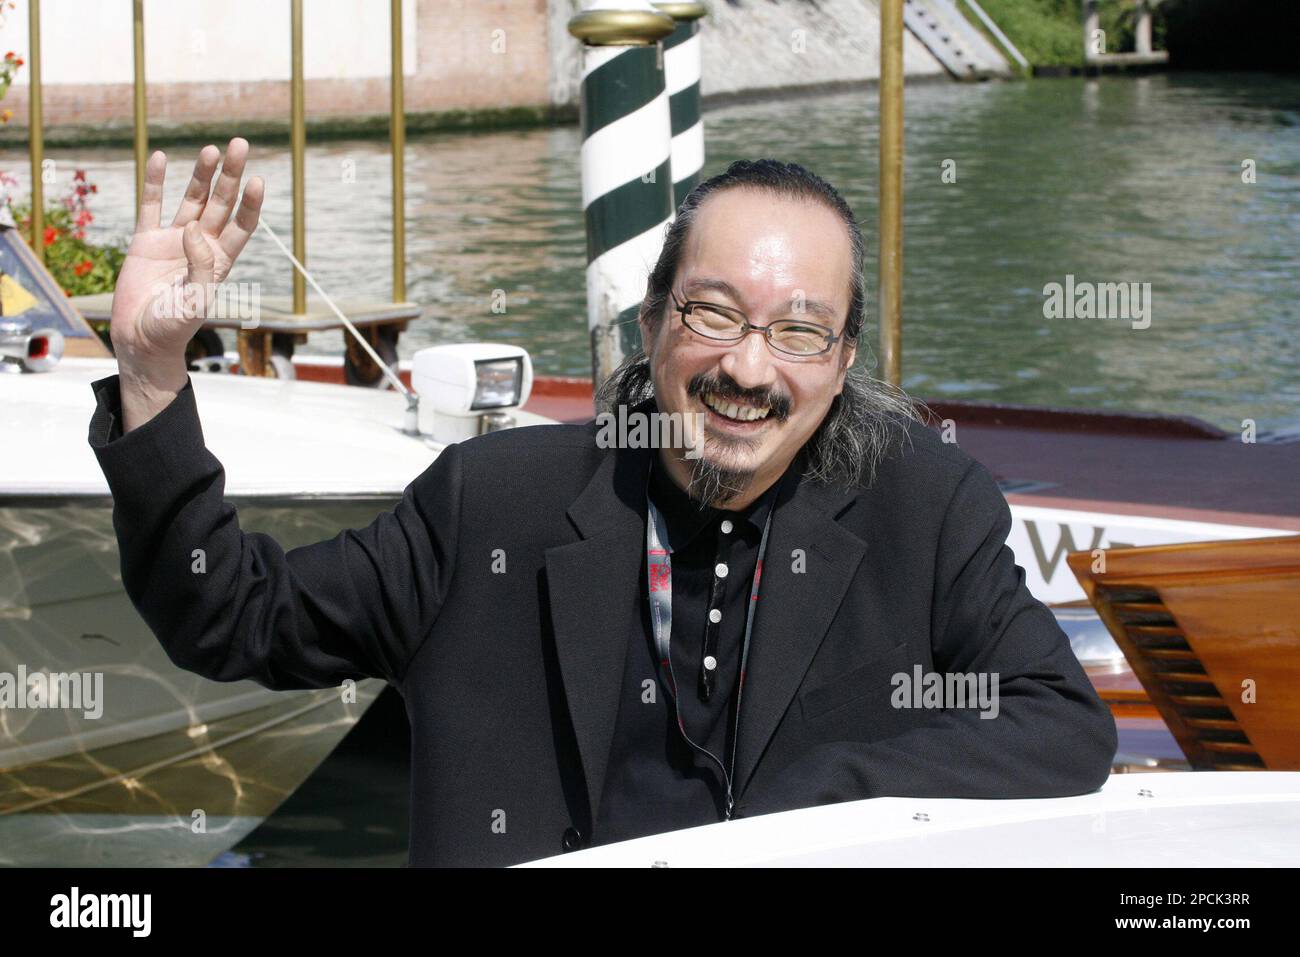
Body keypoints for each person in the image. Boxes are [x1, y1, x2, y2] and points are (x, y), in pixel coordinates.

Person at [88, 138, 1117, 867]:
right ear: (653, 320)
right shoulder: (493, 505)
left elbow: (1058, 725)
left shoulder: (920, 511)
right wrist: (149, 375)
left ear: (843, 361)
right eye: (713, 315)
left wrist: (822, 795)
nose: (748, 369)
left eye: (799, 333)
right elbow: (227, 616)